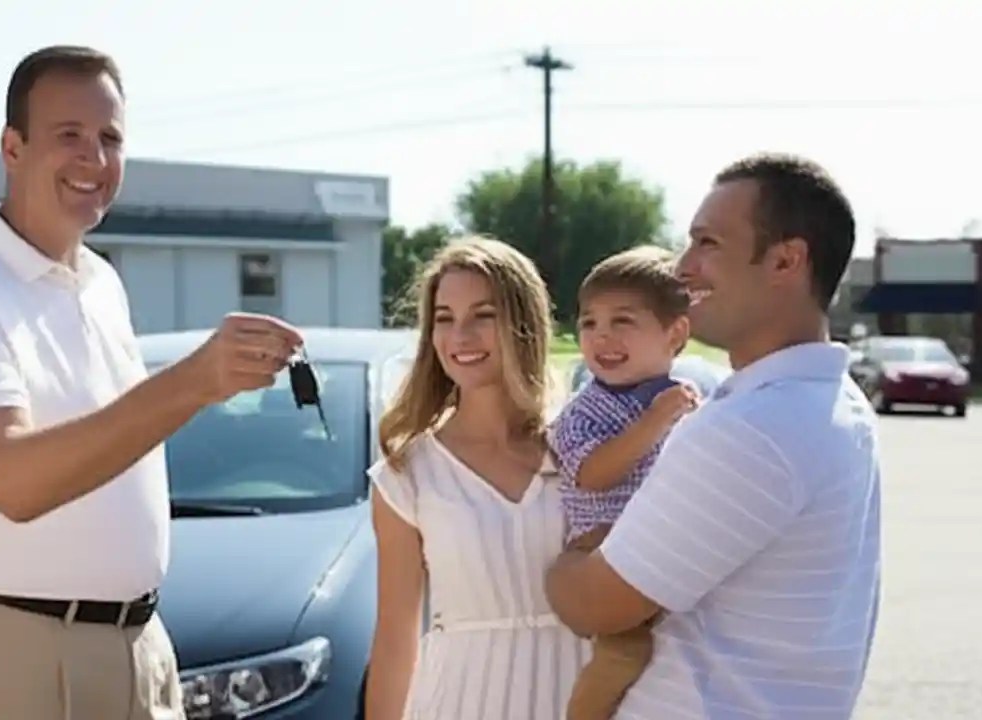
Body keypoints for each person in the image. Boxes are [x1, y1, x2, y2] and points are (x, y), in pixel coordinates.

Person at [0, 45, 302, 720]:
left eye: (110, 138)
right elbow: (13, 483)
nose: (95, 158)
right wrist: (194, 382)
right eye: (69, 136)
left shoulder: (101, 282)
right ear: (12, 148)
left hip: (137, 647)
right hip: (11, 656)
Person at [544, 153, 882, 719]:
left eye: (708, 243)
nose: (683, 265)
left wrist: (563, 565)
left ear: (785, 260)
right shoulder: (836, 404)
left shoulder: (752, 431)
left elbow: (595, 607)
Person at [365, 236, 590, 720]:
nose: (459, 336)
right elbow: (394, 640)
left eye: (482, 316)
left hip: (579, 694)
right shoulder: (408, 475)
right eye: (444, 318)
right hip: (462, 702)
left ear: (522, 323)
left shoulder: (582, 450)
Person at [546, 245, 698, 720]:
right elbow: (591, 475)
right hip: (602, 552)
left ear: (675, 334)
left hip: (658, 550)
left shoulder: (682, 396)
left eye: (622, 322)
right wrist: (654, 423)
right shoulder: (585, 412)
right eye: (589, 323)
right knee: (624, 654)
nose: (601, 337)